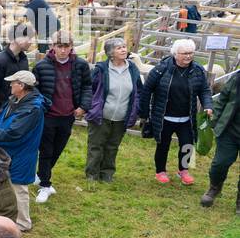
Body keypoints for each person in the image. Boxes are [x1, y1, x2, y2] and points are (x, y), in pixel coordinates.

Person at [143, 39, 214, 185]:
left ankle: (184, 170)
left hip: (186, 118)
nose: (188, 56)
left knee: (188, 144)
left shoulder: (197, 70)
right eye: (185, 53)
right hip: (164, 117)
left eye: (191, 53)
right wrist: (144, 112)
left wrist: (208, 105)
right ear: (175, 54)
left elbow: (205, 90)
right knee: (163, 145)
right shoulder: (161, 69)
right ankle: (160, 171)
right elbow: (147, 89)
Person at [32, 32, 91, 203]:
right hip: (49, 115)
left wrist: (83, 106)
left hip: (68, 115)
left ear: (71, 47)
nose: (63, 50)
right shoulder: (42, 66)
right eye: (59, 46)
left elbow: (87, 86)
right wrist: (43, 104)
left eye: (66, 46)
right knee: (46, 150)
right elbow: (34, 89)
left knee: (58, 149)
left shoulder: (80, 65)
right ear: (53, 47)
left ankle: (41, 174)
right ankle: (45, 185)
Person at [0, 71, 46, 233]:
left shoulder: (33, 108)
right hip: (7, 149)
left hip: (20, 152)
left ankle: (23, 222)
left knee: (18, 186)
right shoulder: (14, 100)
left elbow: (14, 132)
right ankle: (7, 215)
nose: (10, 85)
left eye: (13, 82)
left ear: (22, 86)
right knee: (6, 183)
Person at [85, 38, 142, 183]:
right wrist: (90, 108)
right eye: (119, 48)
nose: (123, 50)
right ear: (110, 53)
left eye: (124, 47)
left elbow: (139, 91)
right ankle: (92, 173)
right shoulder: (101, 69)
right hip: (101, 115)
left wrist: (137, 110)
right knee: (96, 145)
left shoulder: (132, 69)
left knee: (112, 146)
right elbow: (90, 89)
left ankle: (107, 173)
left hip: (122, 116)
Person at [200, 67, 240, 212]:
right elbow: (222, 99)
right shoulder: (237, 78)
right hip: (230, 130)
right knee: (220, 164)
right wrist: (215, 121)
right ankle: (215, 187)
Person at [0, 23, 32, 122]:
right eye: (29, 38)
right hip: (2, 114)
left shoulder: (23, 59)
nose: (31, 42)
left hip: (20, 113)